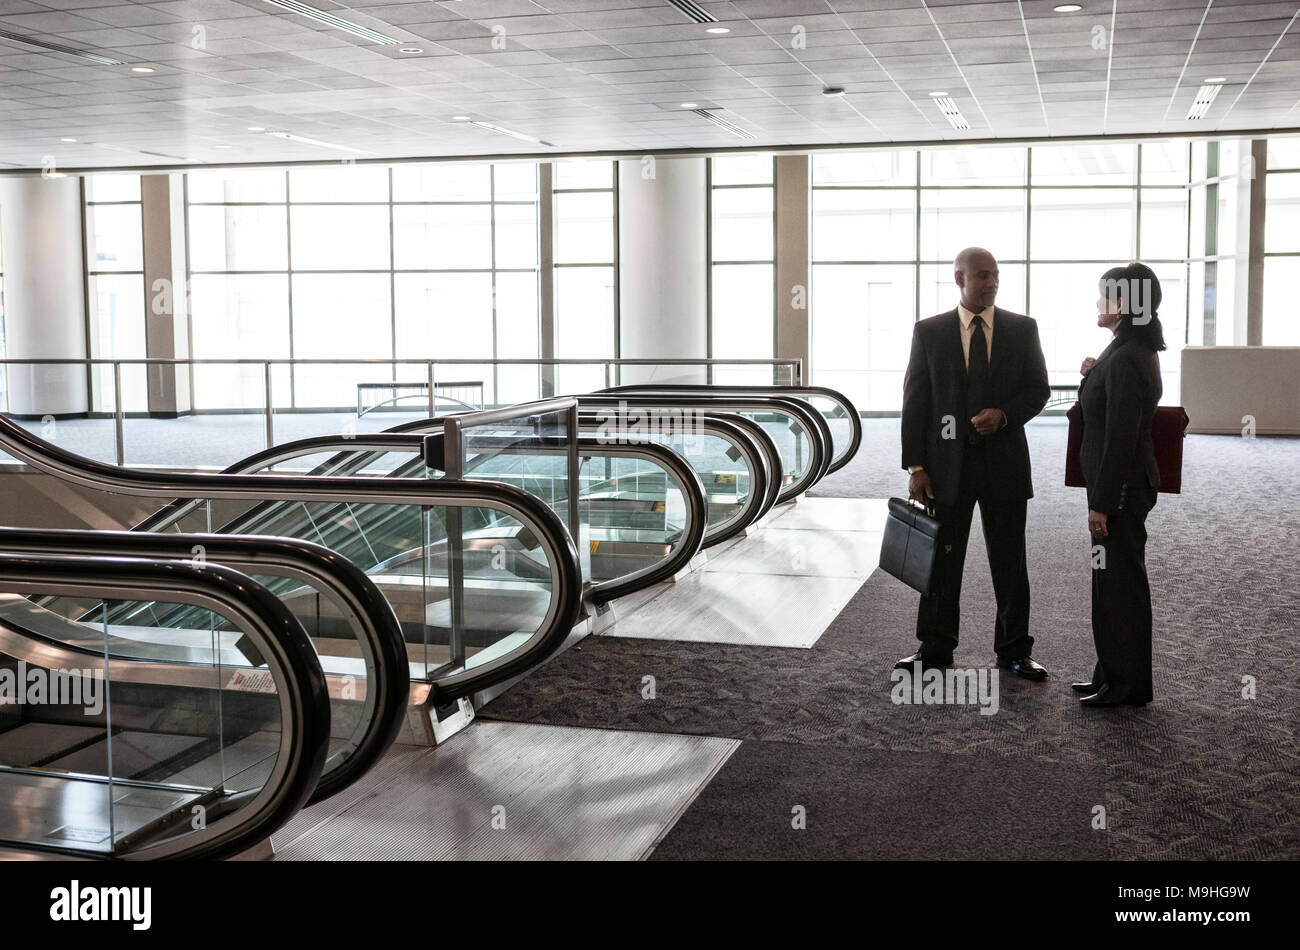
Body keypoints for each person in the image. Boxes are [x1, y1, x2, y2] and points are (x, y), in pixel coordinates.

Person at [898, 247, 1051, 679]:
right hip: (946, 470)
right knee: (943, 560)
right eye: (982, 275)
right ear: (959, 279)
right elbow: (915, 402)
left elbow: (1038, 389)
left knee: (1009, 561)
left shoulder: (1022, 329)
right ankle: (935, 647)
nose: (992, 282)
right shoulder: (929, 332)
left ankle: (1014, 651)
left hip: (1003, 466)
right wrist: (916, 467)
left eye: (996, 275)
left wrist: (1004, 415)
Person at [1074, 263, 1165, 707]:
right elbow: (1108, 408)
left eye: (1104, 295)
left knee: (1121, 586)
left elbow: (1121, 438)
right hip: (1117, 489)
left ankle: (1127, 686)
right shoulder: (1123, 349)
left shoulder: (1128, 356)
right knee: (1109, 581)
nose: (1098, 303)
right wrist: (1092, 373)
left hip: (1122, 492)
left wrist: (1104, 504)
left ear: (1125, 304)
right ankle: (1110, 675)